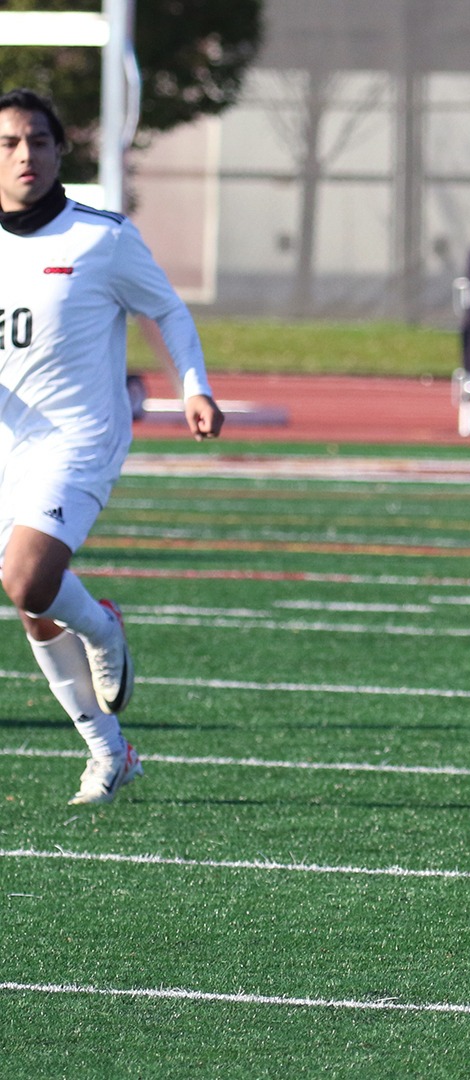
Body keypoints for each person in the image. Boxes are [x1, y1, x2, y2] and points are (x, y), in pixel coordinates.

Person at [0, 89, 223, 804]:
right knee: (35, 603)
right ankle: (110, 751)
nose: (23, 155)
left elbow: (167, 308)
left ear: (61, 149)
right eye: (7, 143)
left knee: (29, 578)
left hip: (79, 439)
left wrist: (194, 385)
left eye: (37, 140)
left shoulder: (101, 236)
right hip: (9, 439)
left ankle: (103, 627)